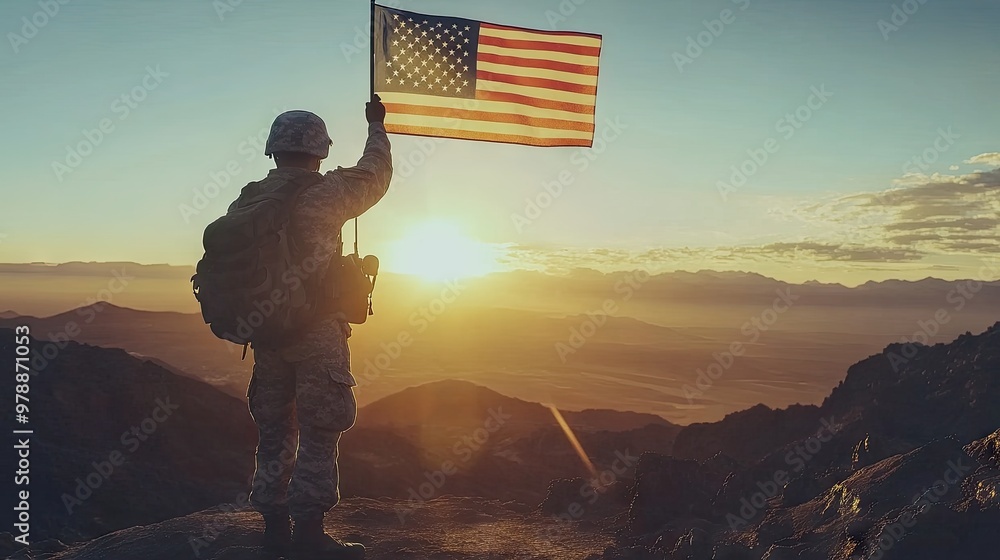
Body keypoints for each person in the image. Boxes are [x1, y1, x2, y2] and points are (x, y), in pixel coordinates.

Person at [238, 97, 391, 559]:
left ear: (273, 150)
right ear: (320, 151)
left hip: (266, 335)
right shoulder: (326, 194)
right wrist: (376, 126)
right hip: (317, 333)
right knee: (321, 429)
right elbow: (376, 176)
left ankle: (272, 534)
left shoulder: (248, 199)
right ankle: (309, 537)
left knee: (274, 431)